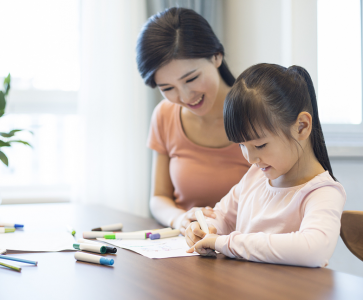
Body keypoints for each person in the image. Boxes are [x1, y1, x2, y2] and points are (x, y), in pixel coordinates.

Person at [185, 63, 346, 267]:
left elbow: (313, 249)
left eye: (260, 145)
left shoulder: (322, 192)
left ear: (302, 127)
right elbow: (223, 215)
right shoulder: (256, 175)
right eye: (242, 145)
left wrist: (227, 243)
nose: (250, 158)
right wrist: (207, 228)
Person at [136, 7, 250, 233]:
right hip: (187, 250)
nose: (185, 97)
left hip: (249, 248)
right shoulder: (165, 115)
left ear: (216, 56)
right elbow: (159, 197)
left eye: (191, 78)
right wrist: (180, 219)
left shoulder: (260, 112)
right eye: (167, 88)